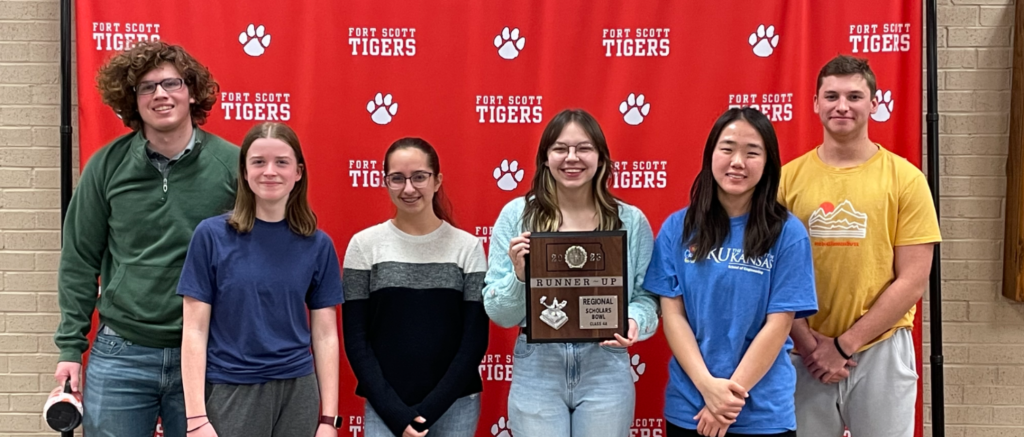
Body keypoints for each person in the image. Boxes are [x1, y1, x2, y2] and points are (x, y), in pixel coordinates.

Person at [54, 41, 238, 437]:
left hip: (208, 354)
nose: (160, 95)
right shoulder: (106, 165)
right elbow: (79, 260)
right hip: (121, 352)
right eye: (146, 87)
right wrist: (71, 348)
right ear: (131, 100)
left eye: (171, 83)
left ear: (191, 91)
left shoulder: (233, 166)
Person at [779, 55, 941, 437]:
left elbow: (914, 281)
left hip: (881, 348)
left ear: (874, 103)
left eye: (854, 96)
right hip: (803, 350)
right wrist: (810, 343)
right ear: (815, 103)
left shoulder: (906, 179)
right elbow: (772, 272)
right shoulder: (786, 180)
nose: (842, 106)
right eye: (831, 95)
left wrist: (845, 345)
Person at [483, 109, 659, 437]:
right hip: (538, 366)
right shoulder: (516, 216)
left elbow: (646, 297)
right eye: (561, 148)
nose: (572, 158)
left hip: (606, 363)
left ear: (601, 157)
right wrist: (519, 278)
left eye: (584, 148)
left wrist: (634, 320)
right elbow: (500, 314)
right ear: (545, 158)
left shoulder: (630, 221)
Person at [645, 108, 817, 437]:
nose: (737, 161)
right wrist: (707, 388)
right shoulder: (677, 229)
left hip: (763, 413)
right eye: (727, 149)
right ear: (711, 154)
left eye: (752, 152)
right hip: (690, 407)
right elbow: (674, 316)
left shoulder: (788, 234)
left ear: (768, 164)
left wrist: (727, 400)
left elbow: (779, 325)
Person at [177, 122, 343, 437]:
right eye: (258, 162)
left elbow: (325, 335)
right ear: (244, 171)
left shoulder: (318, 245)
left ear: (298, 172)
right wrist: (196, 417)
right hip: (233, 388)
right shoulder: (211, 236)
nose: (270, 171)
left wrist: (328, 419)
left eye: (281, 162)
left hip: (298, 391)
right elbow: (194, 330)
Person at [342, 138, 489, 437]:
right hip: (386, 409)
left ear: (437, 181)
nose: (408, 188)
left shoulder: (468, 248)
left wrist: (428, 412)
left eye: (419, 177)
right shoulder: (363, 246)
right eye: (397, 178)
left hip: (455, 405)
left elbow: (474, 341)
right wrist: (396, 414)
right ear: (385, 182)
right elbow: (357, 341)